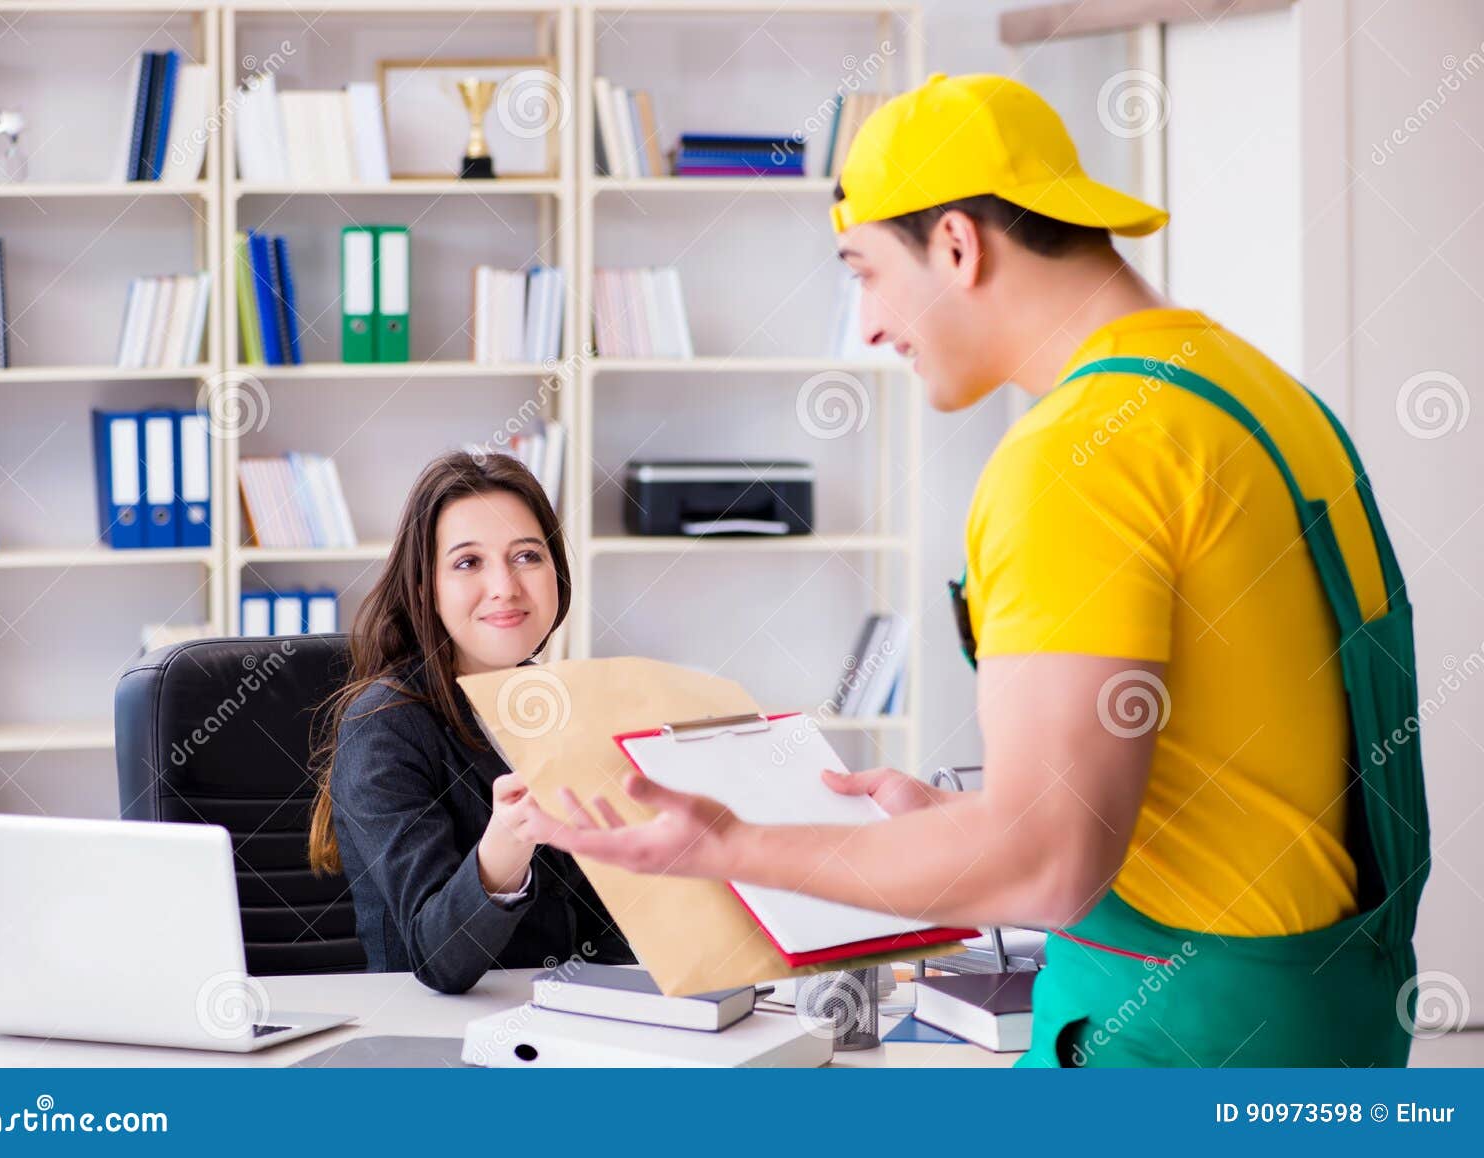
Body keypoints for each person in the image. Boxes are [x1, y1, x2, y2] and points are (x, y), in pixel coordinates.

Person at [525, 74, 1430, 1066]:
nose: (867, 324)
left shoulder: (1075, 458)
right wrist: (965, 819)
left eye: (863, 271)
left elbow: (1048, 863)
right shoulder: (1262, 399)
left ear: (956, 245)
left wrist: (729, 847)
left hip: (1174, 1044)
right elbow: (1249, 768)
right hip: (1335, 1017)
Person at [308, 451, 632, 994]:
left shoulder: (566, 706)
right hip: (438, 1038)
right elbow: (438, 961)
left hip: (579, 1022)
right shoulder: (383, 727)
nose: (505, 586)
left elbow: (608, 925)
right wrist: (506, 844)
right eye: (467, 562)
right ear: (424, 589)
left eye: (527, 556)